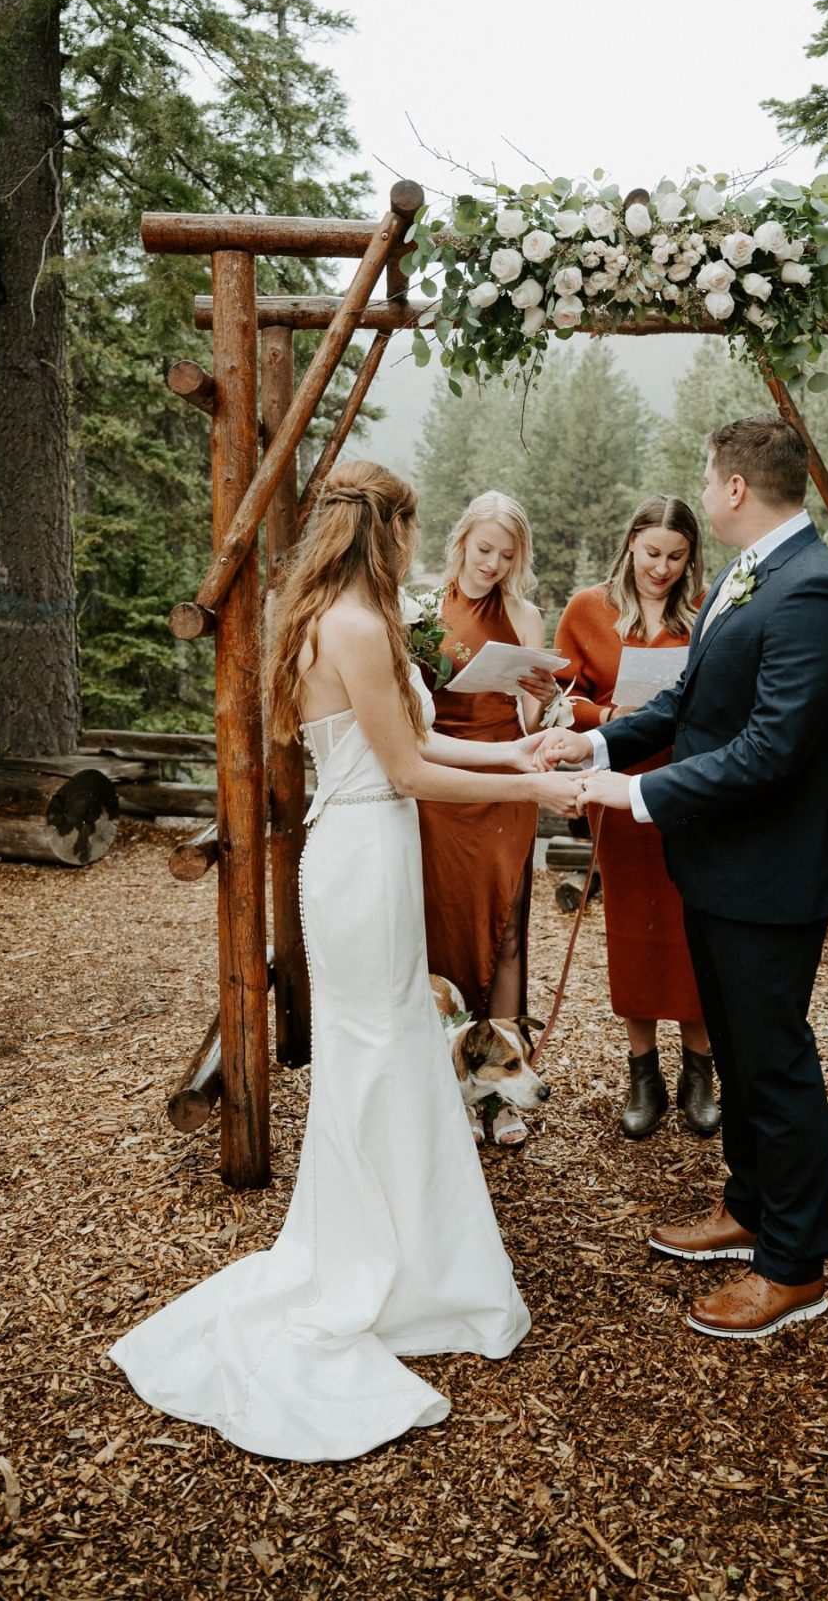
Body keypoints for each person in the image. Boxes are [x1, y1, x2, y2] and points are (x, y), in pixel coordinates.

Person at [109, 462, 579, 1459]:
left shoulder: (350, 614)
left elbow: (414, 743)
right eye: (411, 528)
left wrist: (518, 756)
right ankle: (382, 1263)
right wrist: (532, 792)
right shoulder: (358, 626)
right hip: (364, 854)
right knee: (376, 1055)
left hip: (374, 846)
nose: (415, 544)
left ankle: (408, 1253)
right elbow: (404, 769)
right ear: (390, 529)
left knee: (393, 1051)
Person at [538, 419, 828, 1341]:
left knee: (776, 1065)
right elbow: (689, 702)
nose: (704, 485)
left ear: (733, 488)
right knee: (738, 1048)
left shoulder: (814, 591)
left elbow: (769, 751)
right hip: (716, 867)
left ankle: (793, 1267)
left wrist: (633, 793)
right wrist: (598, 745)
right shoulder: (741, 575)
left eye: (706, 474)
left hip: (768, 874)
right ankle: (750, 1210)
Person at [551, 495, 720, 1139]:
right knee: (633, 928)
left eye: (676, 557)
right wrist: (606, 717)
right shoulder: (587, 609)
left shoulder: (707, 609)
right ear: (630, 544)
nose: (662, 568)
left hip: (689, 787)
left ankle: (700, 1071)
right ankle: (643, 1072)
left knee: (694, 927)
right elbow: (561, 700)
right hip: (617, 786)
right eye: (652, 553)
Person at [418, 492, 557, 1144]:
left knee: (506, 932)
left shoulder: (525, 616)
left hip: (505, 784)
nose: (492, 564)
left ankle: (504, 1096)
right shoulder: (421, 609)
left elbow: (529, 723)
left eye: (505, 555)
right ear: (461, 542)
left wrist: (541, 696)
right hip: (443, 787)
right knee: (440, 932)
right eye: (483, 550)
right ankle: (445, 1089)